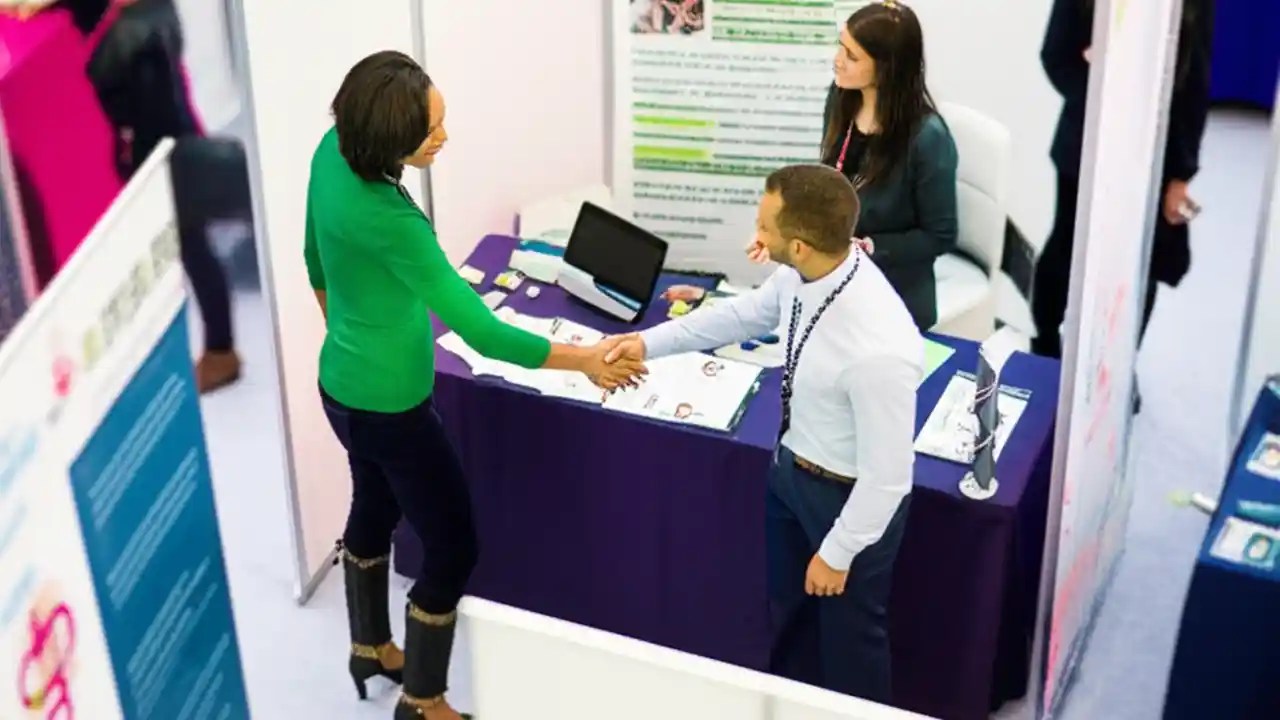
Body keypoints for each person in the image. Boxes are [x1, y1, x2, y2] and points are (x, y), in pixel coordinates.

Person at [306, 51, 645, 720]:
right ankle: (423, 699)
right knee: (455, 547)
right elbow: (486, 336)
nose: (444, 138)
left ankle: (369, 645)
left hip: (339, 387)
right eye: (430, 132)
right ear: (387, 137)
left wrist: (353, 336)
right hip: (394, 407)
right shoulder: (394, 222)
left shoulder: (329, 152)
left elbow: (314, 260)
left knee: (373, 508)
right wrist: (587, 359)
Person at [607, 164, 921, 702]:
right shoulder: (802, 274)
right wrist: (649, 343)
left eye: (764, 228)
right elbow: (743, 317)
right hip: (790, 475)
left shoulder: (879, 350)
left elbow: (888, 480)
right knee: (788, 625)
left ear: (798, 245)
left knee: (851, 652)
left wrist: (838, 552)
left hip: (846, 503)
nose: (756, 238)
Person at [15, 0, 244, 392]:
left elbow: (155, 117)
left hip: (158, 157)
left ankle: (217, 351)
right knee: (190, 246)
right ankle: (219, 349)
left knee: (184, 245)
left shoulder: (134, 36)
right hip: (163, 146)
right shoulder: (145, 23)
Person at [748, 1, 959, 331]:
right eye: (840, 46)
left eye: (852, 55)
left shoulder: (928, 139)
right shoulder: (841, 98)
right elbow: (826, 193)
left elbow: (940, 236)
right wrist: (778, 235)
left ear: (886, 67)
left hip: (892, 298)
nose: (837, 60)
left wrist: (870, 248)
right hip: (833, 285)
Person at [1031, 0, 1214, 360]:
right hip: (1085, 142)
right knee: (1066, 247)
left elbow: (1195, 83)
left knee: (1139, 264)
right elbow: (1056, 55)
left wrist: (1181, 174)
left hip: (1155, 156)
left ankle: (1117, 366)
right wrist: (1109, 91)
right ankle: (1047, 347)